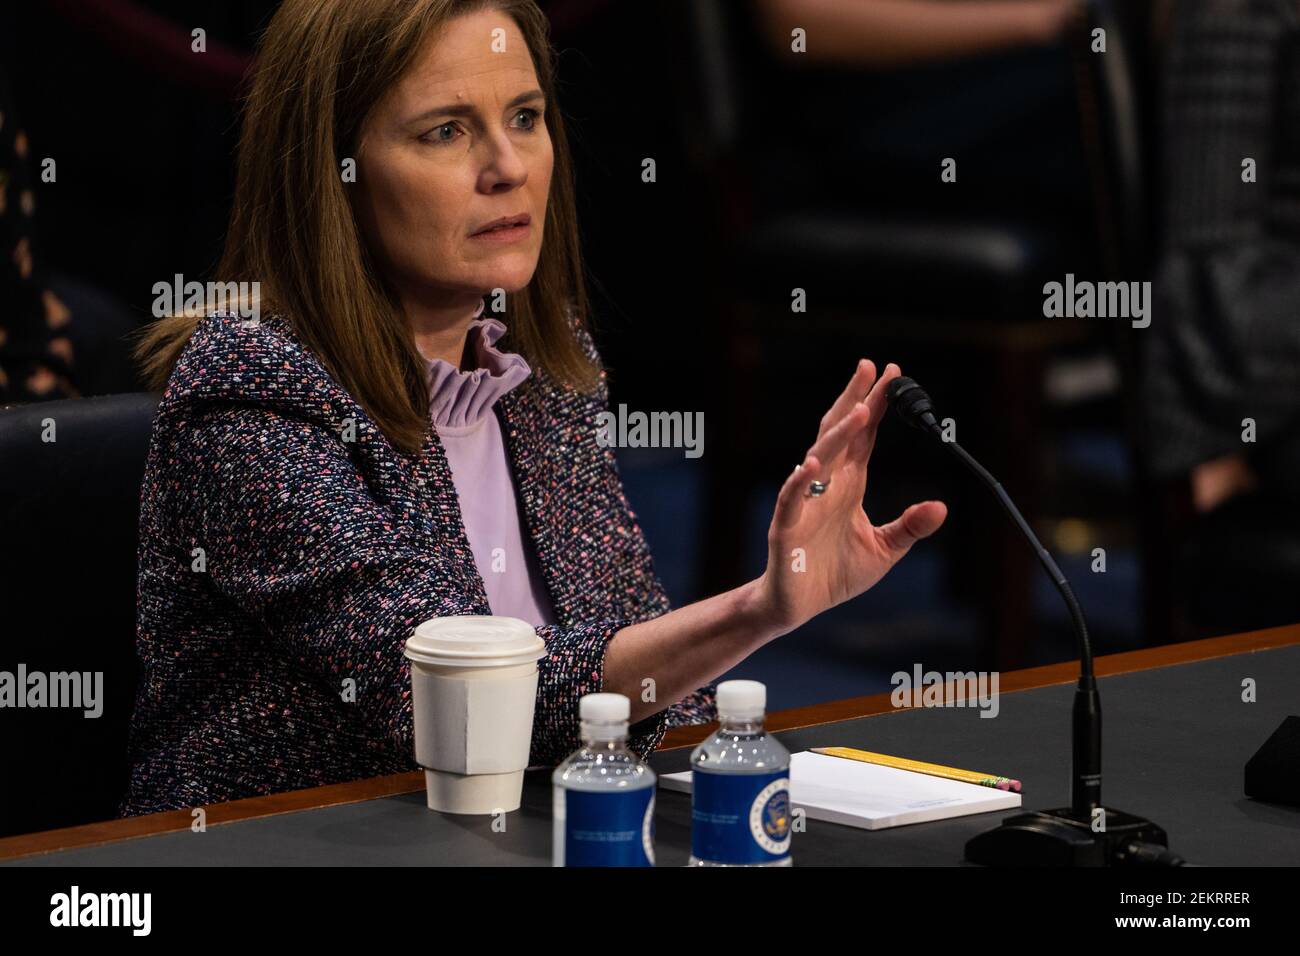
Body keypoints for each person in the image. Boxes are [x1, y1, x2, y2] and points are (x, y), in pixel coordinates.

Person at [120, 0, 946, 815]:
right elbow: (444, 701)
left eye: (524, 116)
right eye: (445, 131)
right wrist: (759, 609)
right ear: (332, 171)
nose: (508, 166)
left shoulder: (544, 369)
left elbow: (636, 658)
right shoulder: (254, 390)